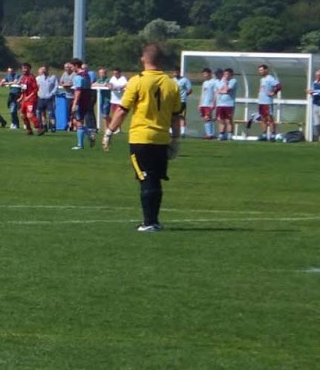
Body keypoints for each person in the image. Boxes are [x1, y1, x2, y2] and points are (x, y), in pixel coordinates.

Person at [103, 43, 186, 232]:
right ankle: (154, 220)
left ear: (143, 59)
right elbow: (175, 117)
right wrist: (176, 139)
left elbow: (122, 110)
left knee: (146, 178)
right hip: (161, 138)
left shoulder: (136, 81)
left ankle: (149, 222)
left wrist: (109, 132)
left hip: (141, 137)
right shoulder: (171, 84)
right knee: (155, 178)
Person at [250, 63, 282, 141]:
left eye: (261, 70)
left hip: (267, 102)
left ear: (266, 70)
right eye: (259, 70)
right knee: (263, 118)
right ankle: (264, 134)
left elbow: (279, 86)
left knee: (270, 118)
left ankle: (272, 135)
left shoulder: (270, 78)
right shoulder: (262, 79)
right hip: (261, 102)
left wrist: (273, 93)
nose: (260, 72)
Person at [69, 60, 95, 149]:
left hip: (80, 101)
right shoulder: (87, 75)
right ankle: (89, 135)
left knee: (79, 122)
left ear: (76, 66)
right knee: (76, 121)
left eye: (72, 66)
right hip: (87, 100)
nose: (71, 68)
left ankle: (80, 145)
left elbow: (78, 91)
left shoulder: (78, 77)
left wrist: (75, 103)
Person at [215, 69, 237, 141]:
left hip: (229, 104)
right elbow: (219, 90)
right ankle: (221, 134)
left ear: (231, 75)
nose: (225, 76)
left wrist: (225, 84)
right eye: (224, 74)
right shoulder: (220, 81)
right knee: (221, 120)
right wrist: (222, 91)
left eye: (227, 74)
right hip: (220, 104)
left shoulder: (233, 81)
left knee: (228, 120)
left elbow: (227, 90)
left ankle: (229, 134)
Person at [197, 67, 218, 139]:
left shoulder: (214, 82)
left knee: (207, 118)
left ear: (209, 74)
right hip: (204, 103)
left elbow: (216, 93)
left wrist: (213, 102)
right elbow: (202, 93)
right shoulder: (204, 83)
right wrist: (200, 104)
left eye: (205, 74)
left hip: (209, 103)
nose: (204, 75)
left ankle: (209, 134)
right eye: (203, 74)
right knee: (206, 118)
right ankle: (210, 134)